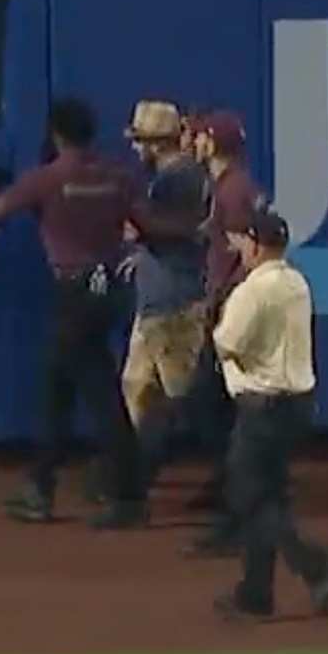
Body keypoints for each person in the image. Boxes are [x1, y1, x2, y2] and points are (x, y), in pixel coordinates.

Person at [0, 97, 148, 529]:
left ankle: (129, 498)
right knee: (56, 389)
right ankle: (39, 487)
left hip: (74, 295)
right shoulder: (118, 175)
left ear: (57, 133)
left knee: (101, 395)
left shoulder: (46, 179)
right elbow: (146, 221)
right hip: (111, 290)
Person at [210, 208, 328, 620]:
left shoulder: (253, 289)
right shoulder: (297, 283)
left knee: (249, 497)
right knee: (266, 499)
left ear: (254, 243)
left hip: (263, 406)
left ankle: (316, 566)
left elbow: (227, 342)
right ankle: (255, 595)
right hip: (296, 405)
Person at [116, 101, 212, 490]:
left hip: (177, 304)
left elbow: (182, 229)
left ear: (155, 143)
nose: (135, 149)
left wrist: (138, 227)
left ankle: (240, 479)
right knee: (136, 386)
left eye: (139, 141)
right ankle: (137, 474)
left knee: (190, 404)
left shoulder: (181, 178)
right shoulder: (167, 176)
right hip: (157, 301)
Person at [186, 109, 269, 553]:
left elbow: (246, 251)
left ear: (212, 143)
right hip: (235, 307)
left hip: (234, 312)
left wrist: (222, 303)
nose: (193, 142)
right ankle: (238, 499)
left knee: (209, 407)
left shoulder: (234, 190)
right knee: (217, 411)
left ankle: (241, 511)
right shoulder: (233, 187)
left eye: (199, 136)